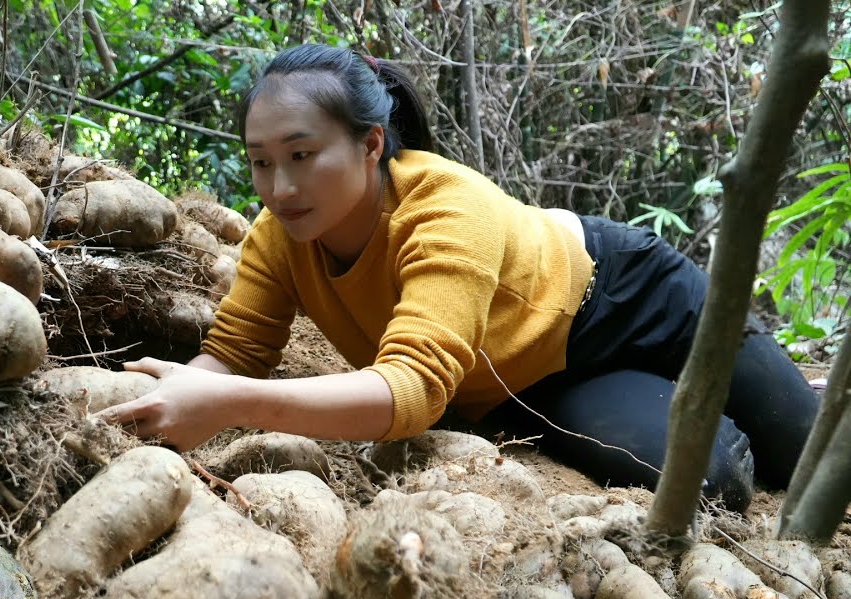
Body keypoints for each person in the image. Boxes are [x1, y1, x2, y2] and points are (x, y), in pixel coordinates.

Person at [97, 43, 819, 512]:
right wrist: (162, 405)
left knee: (810, 454)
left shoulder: (446, 207)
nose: (279, 187)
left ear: (370, 144)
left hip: (629, 299)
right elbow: (234, 353)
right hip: (531, 379)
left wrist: (228, 402)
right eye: (260, 162)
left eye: (302, 155)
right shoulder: (278, 237)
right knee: (711, 479)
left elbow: (409, 391)